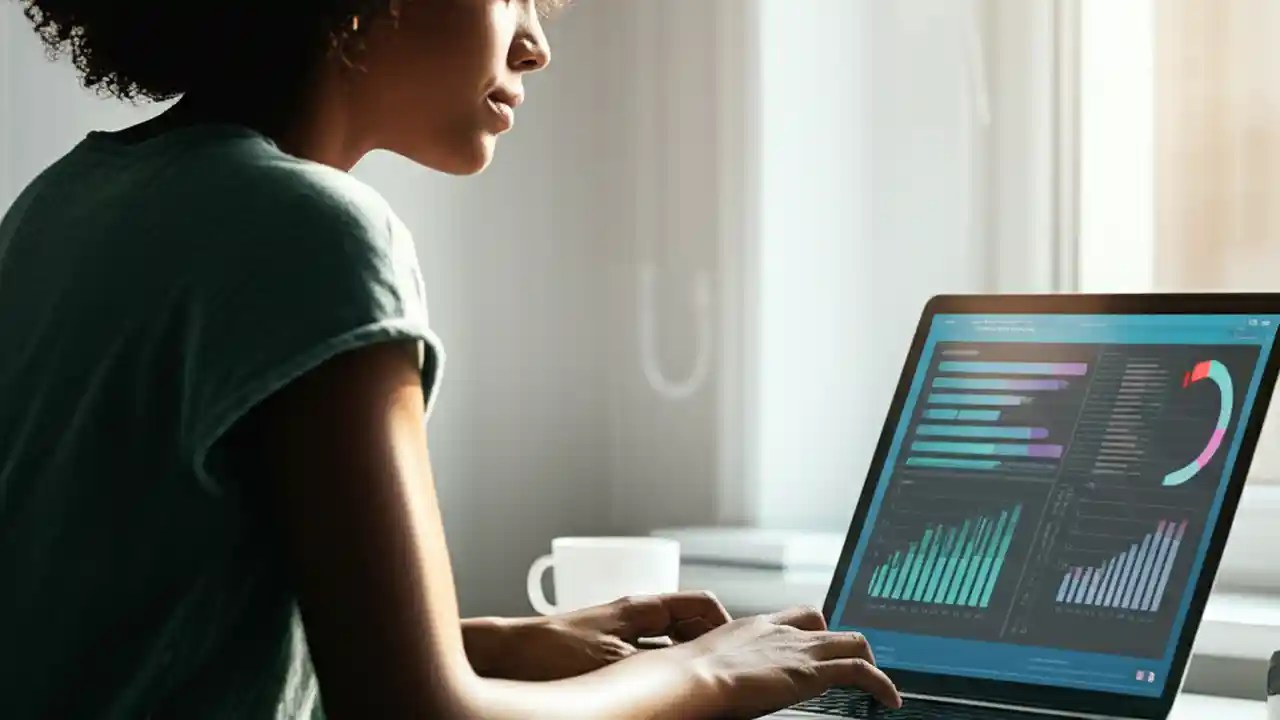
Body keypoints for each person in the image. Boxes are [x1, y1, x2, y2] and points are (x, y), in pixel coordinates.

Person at [0, 1, 902, 717]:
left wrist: (489, 641)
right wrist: (711, 672)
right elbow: (417, 713)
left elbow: (140, 639)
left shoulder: (59, 206)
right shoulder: (309, 232)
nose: (536, 45)